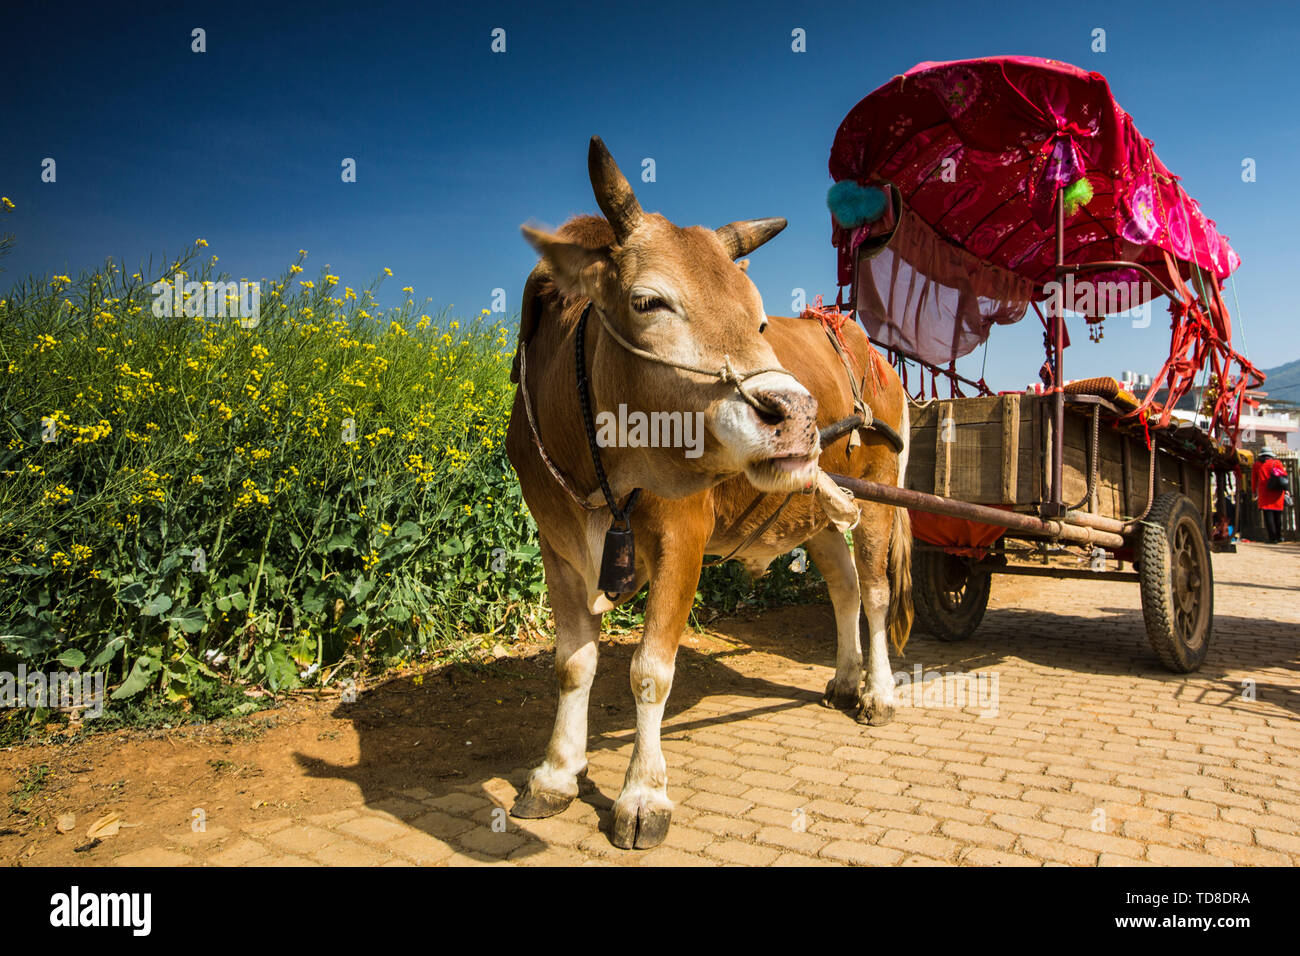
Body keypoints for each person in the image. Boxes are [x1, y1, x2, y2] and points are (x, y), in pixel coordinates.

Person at [1251, 448, 1288, 543]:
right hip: (1277, 492)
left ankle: (1272, 538)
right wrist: (1287, 490)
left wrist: (1254, 492)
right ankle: (1279, 536)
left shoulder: (1257, 465)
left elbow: (1254, 480)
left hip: (1264, 492)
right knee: (1278, 515)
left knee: (1268, 516)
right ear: (1270, 455)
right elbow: (1284, 476)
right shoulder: (1277, 463)